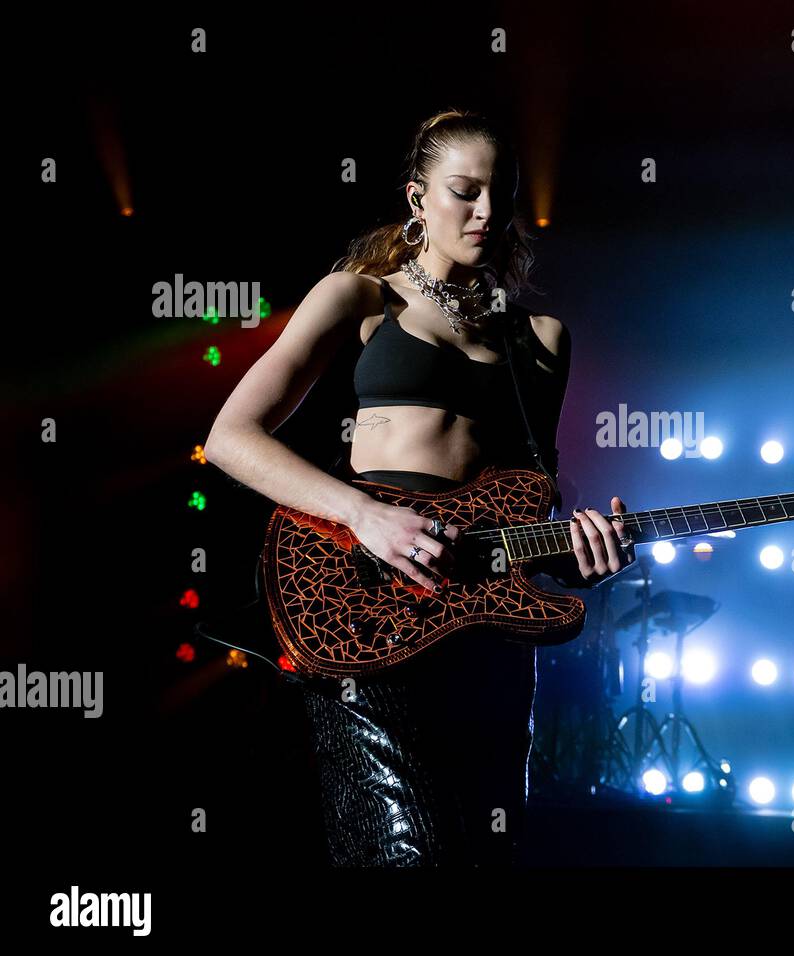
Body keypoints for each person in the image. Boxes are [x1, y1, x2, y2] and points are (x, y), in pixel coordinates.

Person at [203, 109, 635, 866]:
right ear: (417, 198)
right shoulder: (361, 297)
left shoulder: (542, 338)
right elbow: (232, 437)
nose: (487, 213)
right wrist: (364, 514)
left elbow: (532, 500)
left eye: (498, 195)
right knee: (405, 855)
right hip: (366, 601)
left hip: (492, 632)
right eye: (464, 192)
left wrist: (579, 552)